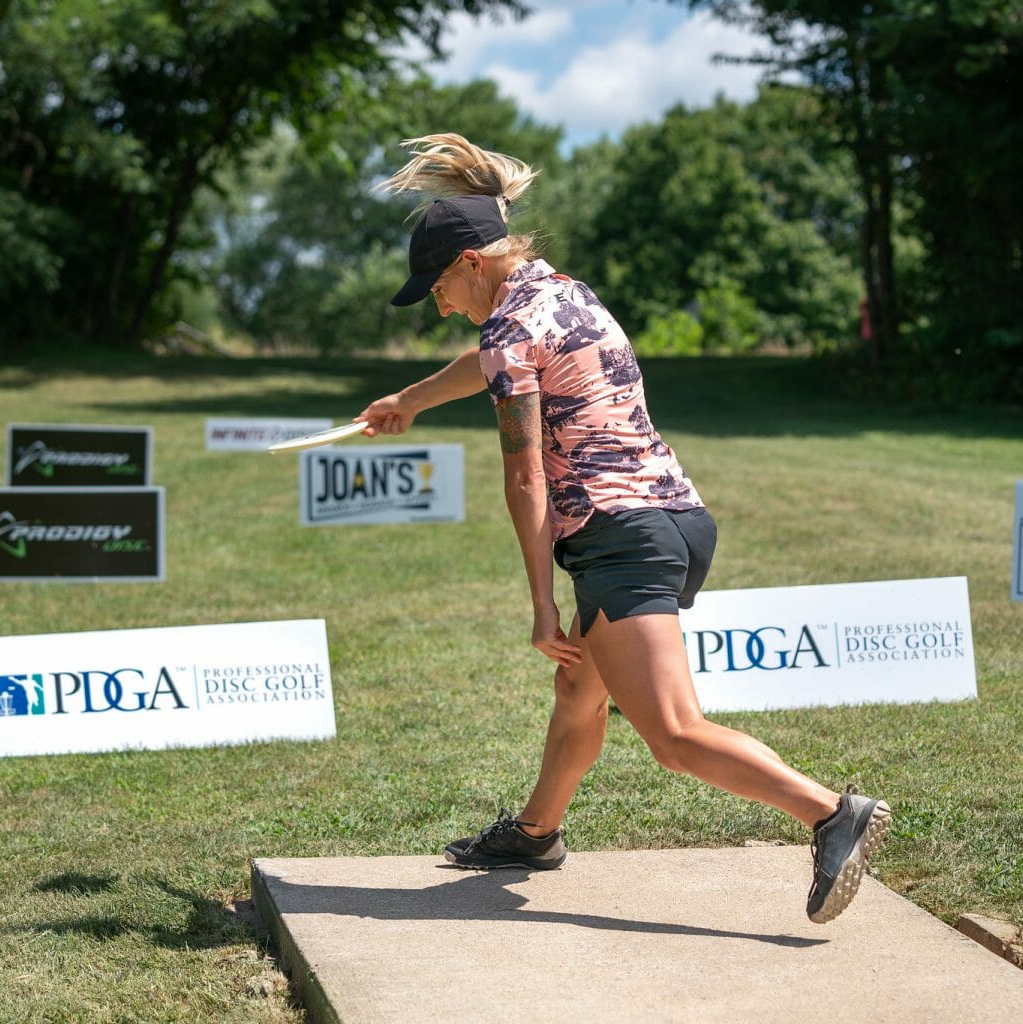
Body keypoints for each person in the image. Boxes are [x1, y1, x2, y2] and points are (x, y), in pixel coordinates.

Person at [355, 133, 890, 924]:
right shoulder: (561, 292)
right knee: (580, 684)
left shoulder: (507, 329)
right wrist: (412, 398)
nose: (437, 303)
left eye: (437, 286)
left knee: (673, 734)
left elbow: (525, 473)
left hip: (618, 539)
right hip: (676, 518)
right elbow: (498, 361)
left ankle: (829, 813)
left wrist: (540, 600)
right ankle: (536, 832)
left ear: (472, 264)